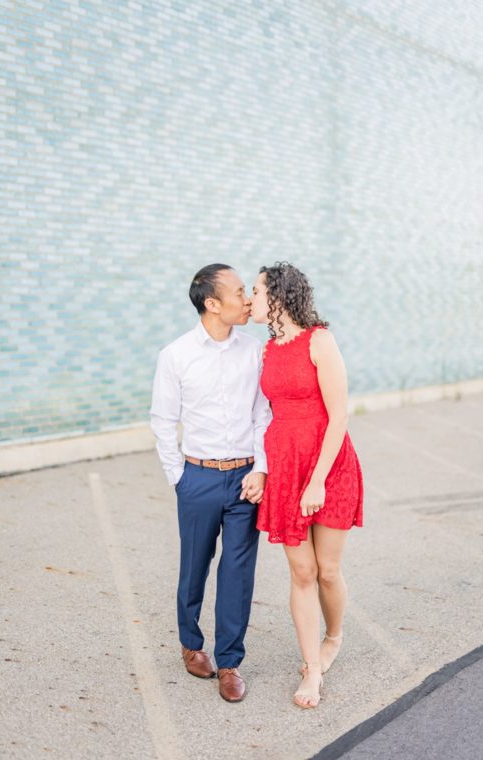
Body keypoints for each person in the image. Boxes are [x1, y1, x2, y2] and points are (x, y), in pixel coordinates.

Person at [149, 263, 272, 703]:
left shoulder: (254, 350)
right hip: (197, 477)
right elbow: (163, 420)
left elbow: (263, 414)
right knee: (194, 567)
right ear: (212, 303)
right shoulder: (176, 355)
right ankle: (190, 642)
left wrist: (261, 468)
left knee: (238, 572)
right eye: (240, 292)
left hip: (245, 478)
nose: (248, 299)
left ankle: (230, 662)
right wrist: (178, 478)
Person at [249, 261, 364, 709]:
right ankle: (311, 669)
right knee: (302, 572)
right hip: (285, 465)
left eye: (256, 291)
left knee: (328, 571)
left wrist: (316, 481)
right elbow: (262, 415)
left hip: (328, 467)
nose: (250, 299)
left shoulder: (320, 340)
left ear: (278, 296)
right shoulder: (266, 350)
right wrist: (262, 469)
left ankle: (333, 636)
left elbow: (338, 416)